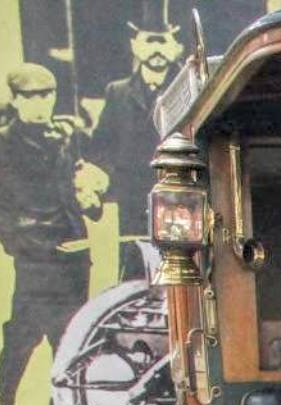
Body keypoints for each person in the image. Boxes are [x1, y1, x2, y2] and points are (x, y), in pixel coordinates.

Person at [0, 64, 99, 405]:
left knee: (70, 331)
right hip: (35, 254)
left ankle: (62, 398)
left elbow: (83, 183)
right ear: (14, 100)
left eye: (46, 95)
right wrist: (19, 245)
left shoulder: (68, 133)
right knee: (22, 332)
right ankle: (4, 401)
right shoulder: (2, 142)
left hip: (73, 248)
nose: (39, 103)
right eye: (29, 97)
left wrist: (91, 196)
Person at [86, 0, 189, 279]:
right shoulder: (117, 93)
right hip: (132, 201)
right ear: (135, 45)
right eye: (149, 41)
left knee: (181, 269)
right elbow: (100, 147)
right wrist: (104, 176)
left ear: (176, 47)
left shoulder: (190, 88)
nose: (157, 50)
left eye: (164, 42)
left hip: (179, 194)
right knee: (135, 270)